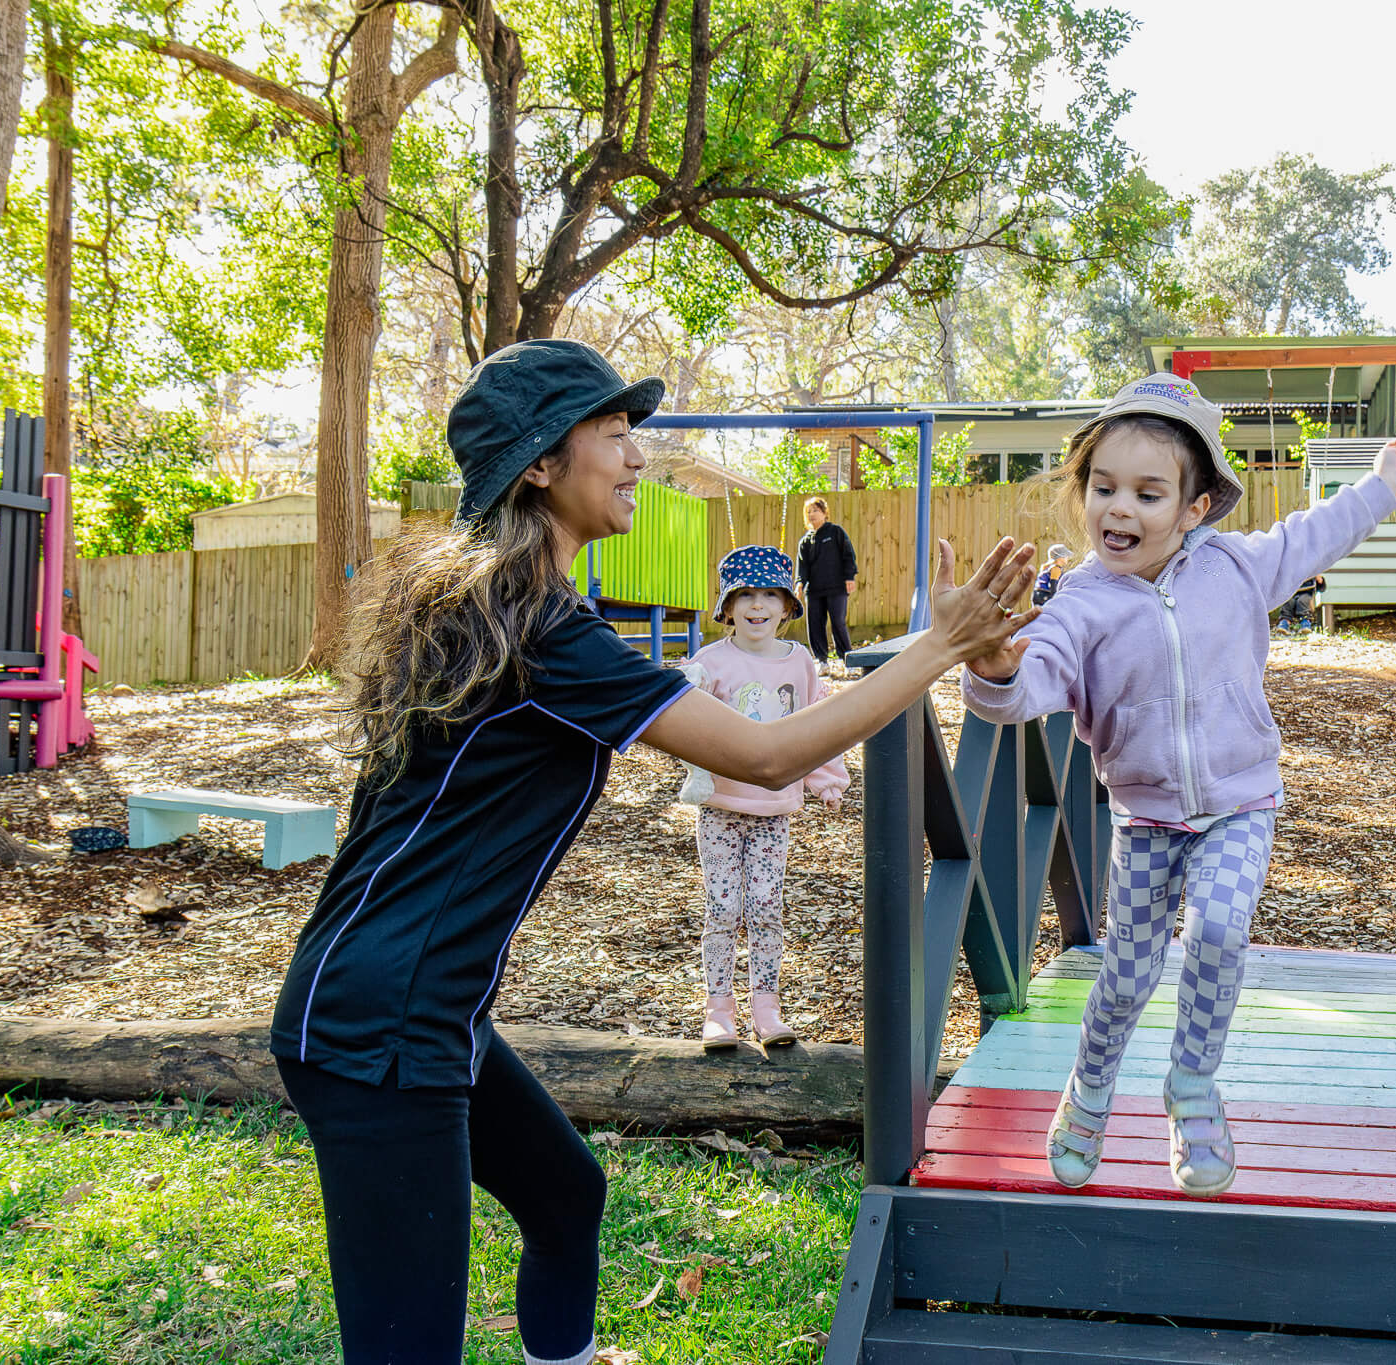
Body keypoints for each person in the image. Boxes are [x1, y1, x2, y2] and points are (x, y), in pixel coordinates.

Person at [269, 338, 1040, 1365]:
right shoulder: (540, 631)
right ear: (541, 464)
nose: (637, 458)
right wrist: (936, 650)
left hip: (410, 1002)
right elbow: (765, 760)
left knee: (564, 1194)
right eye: (615, 435)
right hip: (381, 1028)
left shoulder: (508, 616)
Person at [959, 372, 1396, 1197]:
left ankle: (1193, 1088)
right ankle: (1090, 1087)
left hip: (1241, 804)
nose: (1119, 510)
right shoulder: (1078, 606)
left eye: (1147, 492)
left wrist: (1382, 480)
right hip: (1143, 820)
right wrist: (996, 666)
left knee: (1217, 933)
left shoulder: (1237, 569)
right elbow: (1031, 689)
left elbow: (1316, 536)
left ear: (1195, 506)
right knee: (1127, 974)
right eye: (1103, 488)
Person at [678, 544, 848, 1050]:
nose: (758, 605)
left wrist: (826, 778)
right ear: (727, 607)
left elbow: (815, 722)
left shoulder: (799, 661)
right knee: (724, 908)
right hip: (722, 809)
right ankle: (718, 1009)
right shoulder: (710, 662)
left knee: (768, 905)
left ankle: (767, 1006)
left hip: (775, 809)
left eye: (770, 594)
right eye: (745, 594)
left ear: (788, 606)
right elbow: (688, 725)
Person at [796, 495, 858, 667]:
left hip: (836, 587)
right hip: (814, 591)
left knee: (838, 622)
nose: (812, 514)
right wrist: (799, 584)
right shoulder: (805, 542)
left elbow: (848, 555)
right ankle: (822, 661)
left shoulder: (835, 532)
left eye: (815, 510)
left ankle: (847, 659)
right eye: (808, 512)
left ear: (824, 513)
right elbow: (802, 568)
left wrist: (849, 577)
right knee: (815, 625)